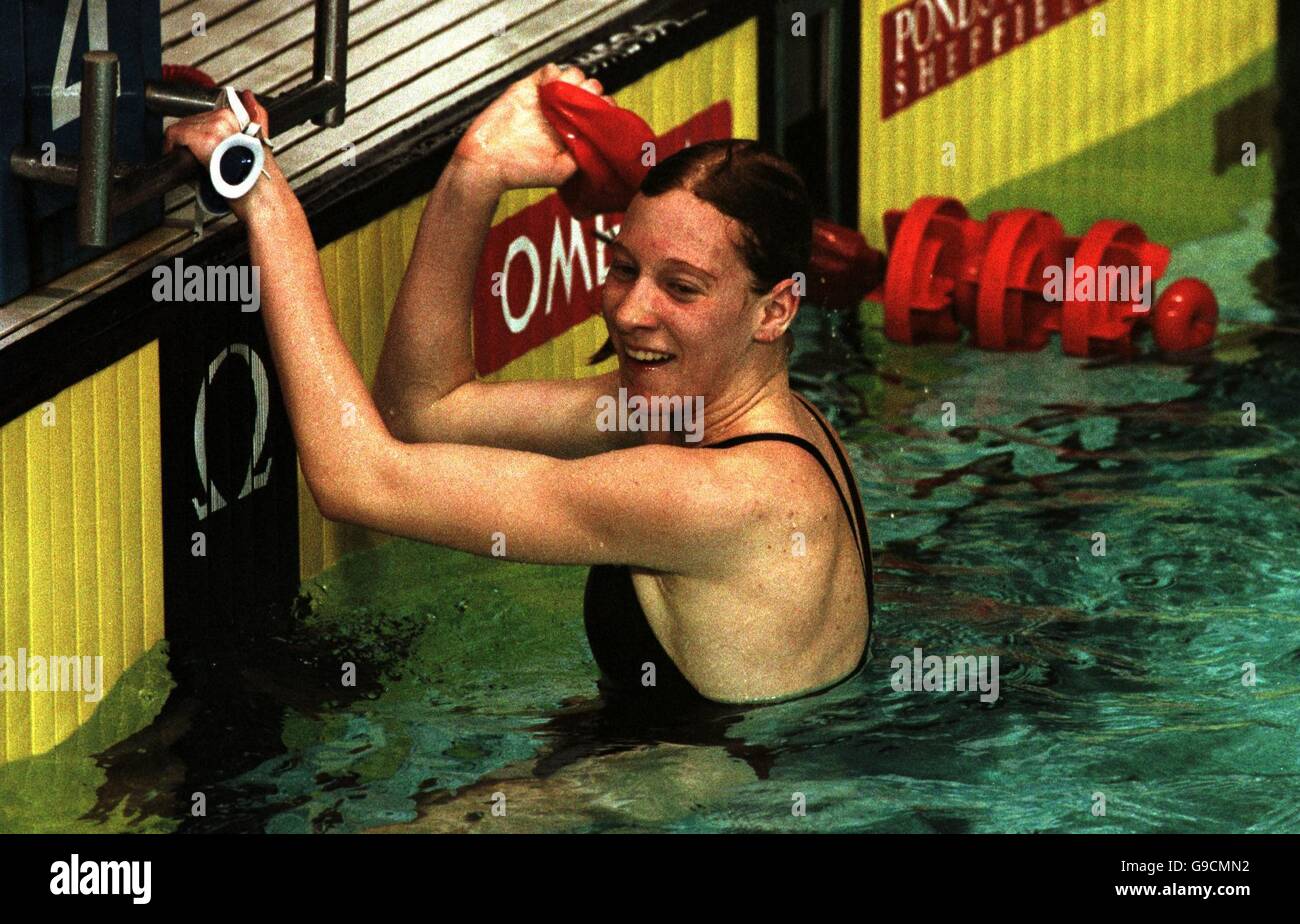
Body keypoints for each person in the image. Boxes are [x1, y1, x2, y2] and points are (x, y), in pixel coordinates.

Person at [163, 63, 873, 709]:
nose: (630, 311)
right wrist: (476, 173)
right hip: (685, 772)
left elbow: (358, 479)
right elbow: (421, 413)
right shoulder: (752, 422)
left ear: (775, 310)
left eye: (681, 288)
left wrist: (261, 194)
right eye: (623, 268)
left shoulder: (714, 495)